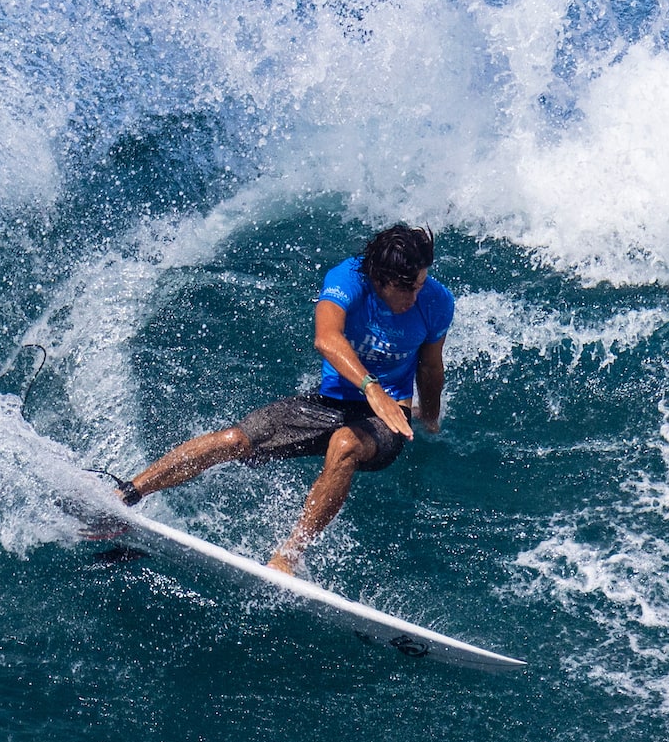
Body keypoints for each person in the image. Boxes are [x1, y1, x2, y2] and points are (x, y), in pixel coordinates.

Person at [111, 223, 454, 575]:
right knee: (235, 439)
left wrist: (428, 416)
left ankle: (287, 558)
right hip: (333, 401)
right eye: (407, 289)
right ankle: (128, 493)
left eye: (421, 284)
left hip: (387, 416)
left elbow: (430, 368)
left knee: (345, 443)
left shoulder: (436, 301)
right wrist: (371, 388)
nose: (415, 296)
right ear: (381, 279)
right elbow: (327, 338)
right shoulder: (349, 278)